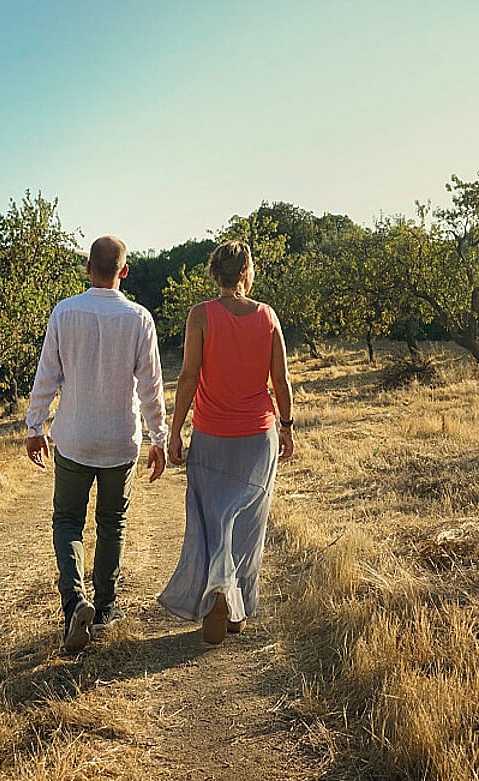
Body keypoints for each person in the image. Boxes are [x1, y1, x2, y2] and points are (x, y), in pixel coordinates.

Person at [26, 235, 168, 654]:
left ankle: (74, 602)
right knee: (113, 523)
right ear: (123, 271)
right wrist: (159, 438)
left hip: (74, 438)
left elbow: (47, 376)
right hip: (120, 442)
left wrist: (36, 425)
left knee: (67, 520)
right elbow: (151, 389)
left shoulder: (64, 313)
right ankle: (105, 609)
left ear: (88, 267)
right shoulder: (140, 318)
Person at [157, 240, 294, 645]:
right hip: (257, 437)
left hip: (212, 435)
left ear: (215, 275)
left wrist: (175, 430)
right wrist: (287, 426)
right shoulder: (267, 316)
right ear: (248, 273)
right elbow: (281, 380)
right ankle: (236, 609)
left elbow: (187, 377)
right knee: (249, 525)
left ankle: (215, 592)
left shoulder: (200, 315)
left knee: (212, 520)